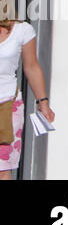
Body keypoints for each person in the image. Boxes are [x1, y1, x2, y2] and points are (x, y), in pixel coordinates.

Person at [0, 17, 54, 179]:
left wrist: (43, 102)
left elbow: (31, 66)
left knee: (3, 168)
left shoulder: (22, 30)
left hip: (7, 107)